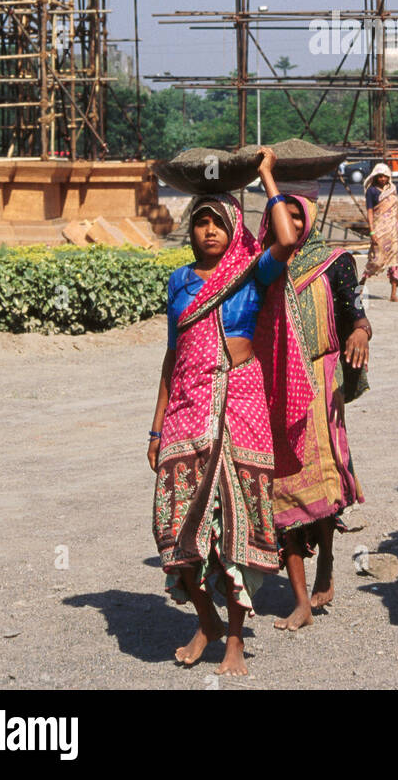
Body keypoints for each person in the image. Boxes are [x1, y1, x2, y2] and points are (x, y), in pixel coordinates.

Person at [148, 148, 314, 676]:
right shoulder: (179, 281)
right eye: (199, 223)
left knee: (237, 526)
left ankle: (236, 639)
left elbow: (288, 238)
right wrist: (155, 427)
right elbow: (172, 355)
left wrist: (267, 177)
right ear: (190, 232)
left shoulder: (251, 272)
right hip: (187, 408)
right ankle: (205, 620)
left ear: (233, 228)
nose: (208, 232)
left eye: (217, 223)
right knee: (174, 526)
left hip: (238, 401)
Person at [258, 187, 372, 630]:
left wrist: (360, 332)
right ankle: (300, 600)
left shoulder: (335, 263)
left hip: (322, 384)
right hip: (274, 387)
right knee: (282, 487)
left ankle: (325, 555)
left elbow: (354, 312)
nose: (295, 227)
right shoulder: (264, 268)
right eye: (284, 218)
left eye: (299, 217)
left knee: (322, 483)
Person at [360, 163, 398, 302]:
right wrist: (372, 232)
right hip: (379, 230)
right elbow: (370, 211)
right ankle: (360, 286)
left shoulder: (392, 190)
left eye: (385, 176)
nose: (383, 179)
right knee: (375, 261)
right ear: (375, 177)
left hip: (393, 230)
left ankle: (393, 294)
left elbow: (395, 212)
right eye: (380, 176)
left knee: (395, 262)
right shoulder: (371, 191)